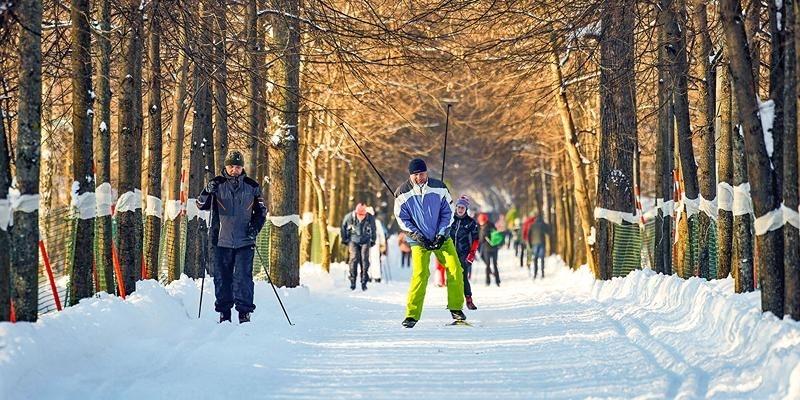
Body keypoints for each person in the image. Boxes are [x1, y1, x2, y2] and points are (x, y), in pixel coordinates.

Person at [197, 150, 267, 324]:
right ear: (225, 167)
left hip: (245, 240)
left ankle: (244, 313)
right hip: (221, 240)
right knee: (222, 278)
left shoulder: (252, 186)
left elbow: (261, 212)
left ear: (242, 167)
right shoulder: (217, 184)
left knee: (243, 278)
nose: (234, 170)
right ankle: (224, 313)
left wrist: (254, 228)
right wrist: (207, 191)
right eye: (231, 166)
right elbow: (200, 205)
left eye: (237, 166)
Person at [394, 158, 465, 328]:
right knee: (420, 274)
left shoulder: (439, 187)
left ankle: (456, 308)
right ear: (411, 176)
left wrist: (441, 234)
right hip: (418, 241)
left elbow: (447, 212)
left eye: (423, 173)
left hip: (442, 237)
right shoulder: (401, 193)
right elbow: (401, 219)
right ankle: (412, 315)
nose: (420, 177)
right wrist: (418, 236)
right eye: (416, 175)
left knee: (455, 268)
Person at [449, 195, 479, 310]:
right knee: (452, 277)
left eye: (463, 208)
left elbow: (476, 239)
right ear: (456, 207)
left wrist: (472, 254)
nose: (460, 209)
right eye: (459, 207)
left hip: (464, 253)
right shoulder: (451, 220)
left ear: (466, 209)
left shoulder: (470, 222)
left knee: (463, 277)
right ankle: (454, 301)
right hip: (451, 252)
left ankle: (469, 300)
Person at [341, 203, 376, 291]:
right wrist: (344, 239)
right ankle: (353, 280)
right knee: (354, 258)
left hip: (365, 240)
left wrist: (373, 240)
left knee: (364, 259)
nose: (361, 216)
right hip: (353, 240)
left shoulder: (370, 218)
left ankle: (364, 281)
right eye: (359, 214)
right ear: (356, 213)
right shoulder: (349, 217)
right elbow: (343, 227)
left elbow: (373, 229)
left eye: (363, 215)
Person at [478, 213, 501, 286]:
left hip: (487, 249)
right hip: (495, 248)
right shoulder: (492, 225)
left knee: (487, 265)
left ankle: (488, 281)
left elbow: (481, 240)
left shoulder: (483, 228)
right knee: (495, 264)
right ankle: (498, 281)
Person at [366, 206, 387, 283]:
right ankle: (369, 276)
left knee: (375, 260)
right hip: (367, 244)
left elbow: (381, 234)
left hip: (375, 244)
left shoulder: (376, 222)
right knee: (368, 260)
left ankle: (376, 276)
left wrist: (382, 244)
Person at [526, 214, 550, 279]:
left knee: (535, 258)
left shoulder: (532, 225)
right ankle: (542, 273)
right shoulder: (542, 225)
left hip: (534, 244)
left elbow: (528, 235)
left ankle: (535, 273)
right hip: (541, 243)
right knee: (542, 258)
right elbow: (548, 231)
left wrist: (530, 244)